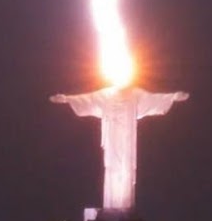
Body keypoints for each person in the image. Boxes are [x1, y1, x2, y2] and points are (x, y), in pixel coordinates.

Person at [51, 86, 187, 212]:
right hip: (112, 142)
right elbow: (87, 100)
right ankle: (111, 206)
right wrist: (67, 99)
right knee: (112, 171)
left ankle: (125, 207)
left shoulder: (134, 94)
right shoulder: (106, 95)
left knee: (126, 172)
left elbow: (153, 100)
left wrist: (173, 97)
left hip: (127, 142)